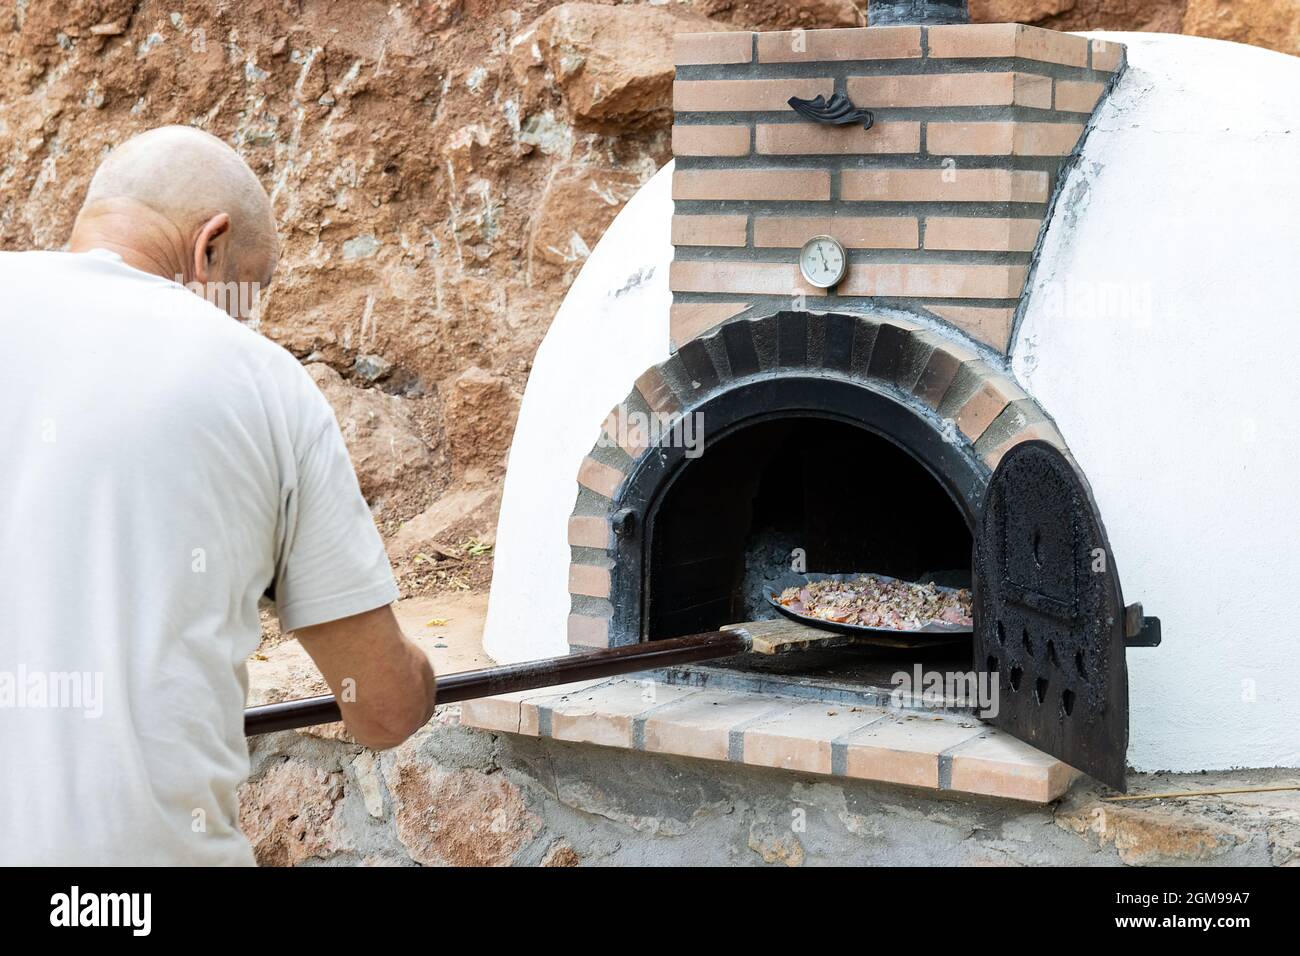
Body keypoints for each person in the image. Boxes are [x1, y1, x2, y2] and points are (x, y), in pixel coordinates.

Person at [0, 125, 436, 865]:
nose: (243, 319)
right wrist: (417, 676)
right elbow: (385, 708)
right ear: (210, 248)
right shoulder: (262, 383)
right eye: (248, 293)